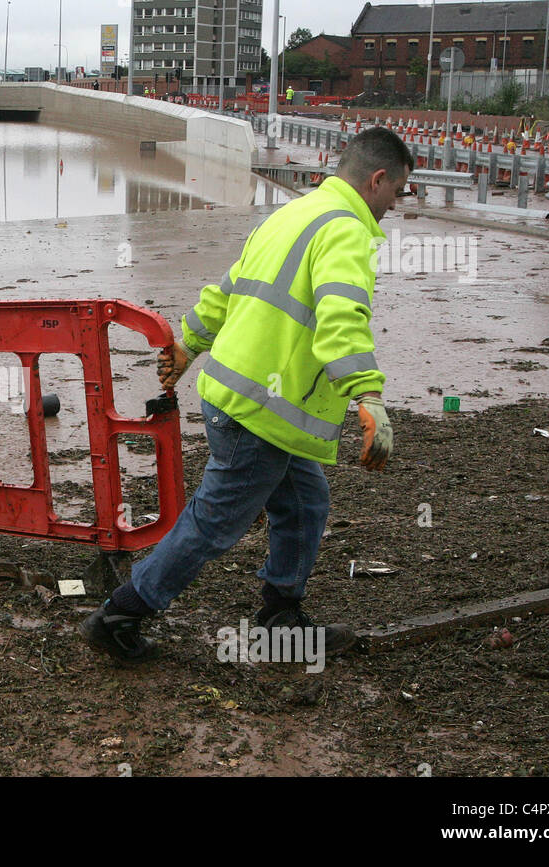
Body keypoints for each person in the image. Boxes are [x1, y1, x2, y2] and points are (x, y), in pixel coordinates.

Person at [79, 128, 412, 665]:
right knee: (214, 522)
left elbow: (231, 288)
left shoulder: (292, 214)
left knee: (306, 504)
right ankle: (119, 616)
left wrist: (190, 343)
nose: (393, 207)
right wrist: (368, 394)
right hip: (261, 411)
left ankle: (280, 617)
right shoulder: (347, 230)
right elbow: (342, 318)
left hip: (239, 396)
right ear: (377, 180)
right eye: (396, 193)